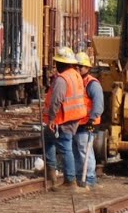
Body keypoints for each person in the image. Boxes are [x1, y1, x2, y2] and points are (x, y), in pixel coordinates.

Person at [45, 46, 88, 192]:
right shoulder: (76, 75)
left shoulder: (62, 79)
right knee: (48, 139)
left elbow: (56, 99)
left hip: (63, 118)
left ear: (61, 63)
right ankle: (50, 172)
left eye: (57, 62)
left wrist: (51, 119)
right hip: (74, 117)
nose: (56, 65)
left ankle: (70, 181)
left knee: (65, 146)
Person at [74, 51, 105, 190]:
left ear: (88, 68)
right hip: (76, 122)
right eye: (76, 66)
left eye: (81, 66)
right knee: (77, 151)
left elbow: (98, 104)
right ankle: (80, 177)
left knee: (85, 151)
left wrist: (92, 120)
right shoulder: (76, 82)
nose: (78, 69)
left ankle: (90, 178)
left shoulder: (92, 84)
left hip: (87, 123)